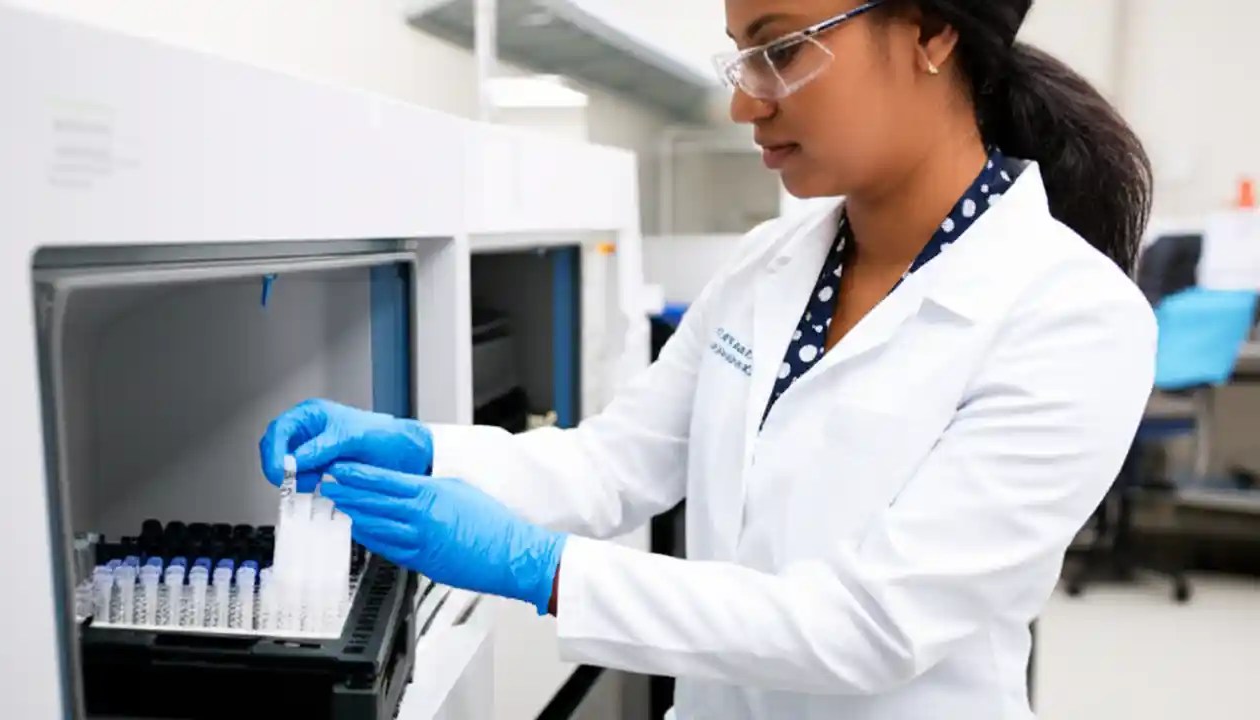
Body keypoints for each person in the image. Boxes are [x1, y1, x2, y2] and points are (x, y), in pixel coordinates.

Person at [260, 0, 1156, 717]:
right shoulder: (771, 260)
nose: (743, 102)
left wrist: (547, 572)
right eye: (739, 55)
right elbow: (617, 462)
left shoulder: (1071, 316)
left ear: (929, 32)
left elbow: (872, 626)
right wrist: (427, 451)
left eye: (782, 49)